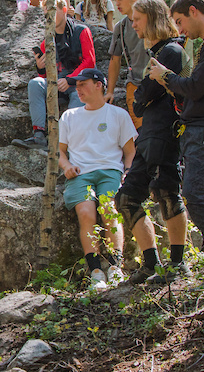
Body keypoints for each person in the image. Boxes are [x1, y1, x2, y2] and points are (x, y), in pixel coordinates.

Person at [149, 0, 204, 289]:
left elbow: (196, 88)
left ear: (194, 11)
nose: (180, 30)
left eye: (181, 21)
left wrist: (166, 77)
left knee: (196, 197)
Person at [115, 0, 191, 284]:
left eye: (137, 19)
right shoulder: (157, 53)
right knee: (126, 198)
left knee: (166, 191)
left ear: (153, 17)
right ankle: (151, 264)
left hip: (167, 132)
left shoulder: (171, 51)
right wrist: (144, 93)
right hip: (148, 134)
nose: (133, 25)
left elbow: (144, 95)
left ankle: (178, 264)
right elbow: (139, 100)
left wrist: (144, 92)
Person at [59, 68, 136, 289]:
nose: (78, 89)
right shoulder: (70, 116)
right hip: (80, 173)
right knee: (85, 213)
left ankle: (115, 267)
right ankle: (95, 271)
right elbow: (59, 151)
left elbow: (130, 151)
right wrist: (66, 166)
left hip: (110, 170)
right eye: (77, 85)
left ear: (98, 85)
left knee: (108, 209)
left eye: (83, 84)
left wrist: (128, 173)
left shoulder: (118, 114)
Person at [12, 0, 95, 149]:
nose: (49, 17)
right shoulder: (47, 42)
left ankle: (68, 138)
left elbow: (90, 62)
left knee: (79, 93)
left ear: (64, 10)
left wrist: (70, 79)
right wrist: (41, 66)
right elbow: (45, 76)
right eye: (46, 15)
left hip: (79, 82)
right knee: (35, 83)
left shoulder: (82, 31)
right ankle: (39, 135)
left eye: (52, 12)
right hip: (57, 84)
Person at [106, 0, 147, 129]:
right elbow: (114, 60)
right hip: (135, 84)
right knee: (140, 129)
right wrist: (110, 92)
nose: (117, 3)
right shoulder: (120, 27)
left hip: (158, 81)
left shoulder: (153, 19)